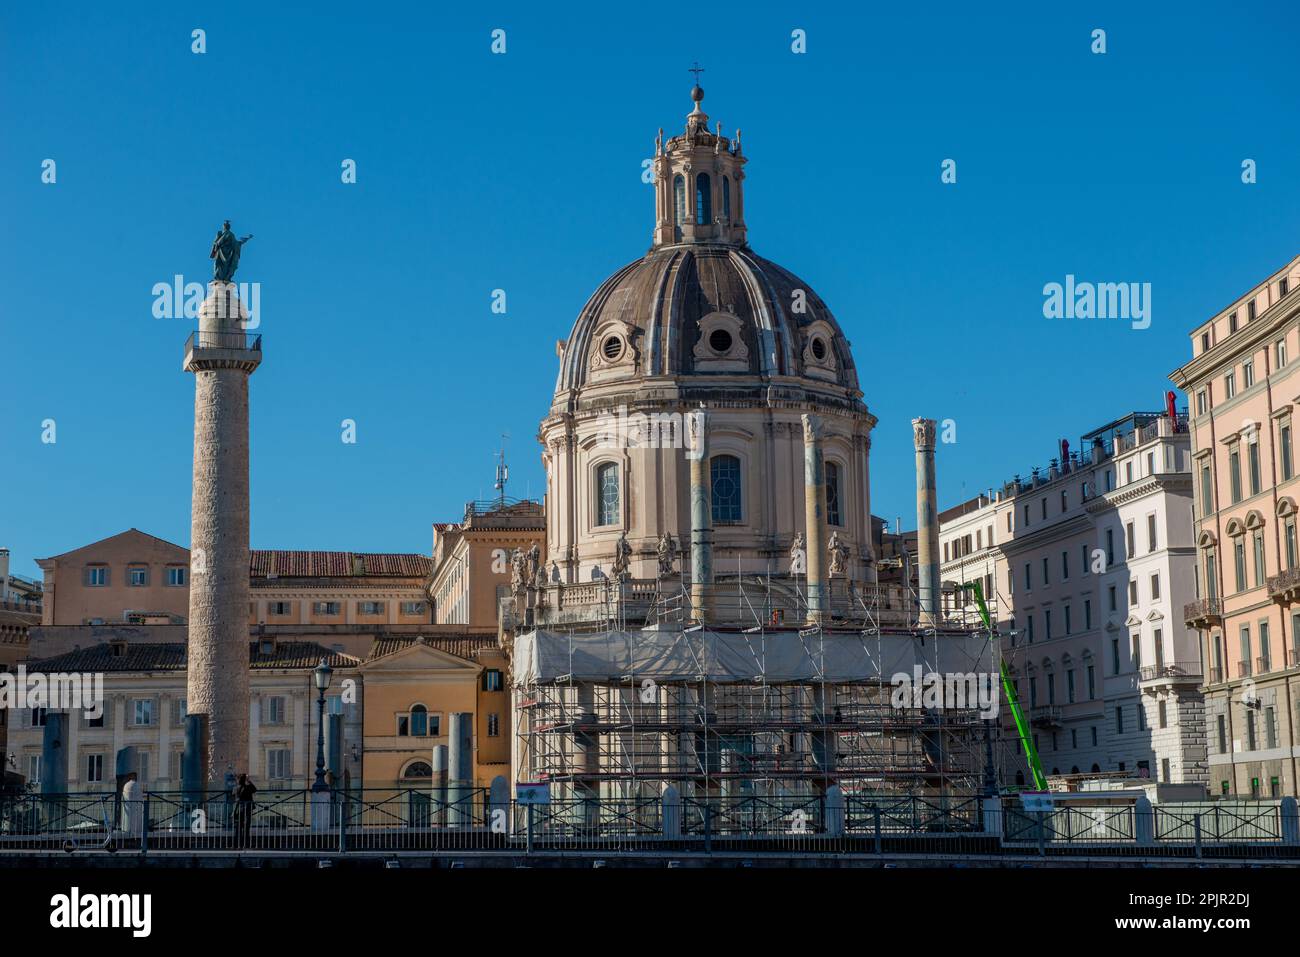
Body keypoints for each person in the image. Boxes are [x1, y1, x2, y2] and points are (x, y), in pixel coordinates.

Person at [234, 773, 257, 848]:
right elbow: (255, 789)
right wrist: (249, 781)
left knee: (238, 828)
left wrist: (234, 812)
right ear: (245, 780)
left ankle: (237, 844)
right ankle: (245, 844)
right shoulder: (248, 787)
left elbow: (235, 797)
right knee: (246, 828)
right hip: (248, 809)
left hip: (240, 809)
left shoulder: (237, 788)